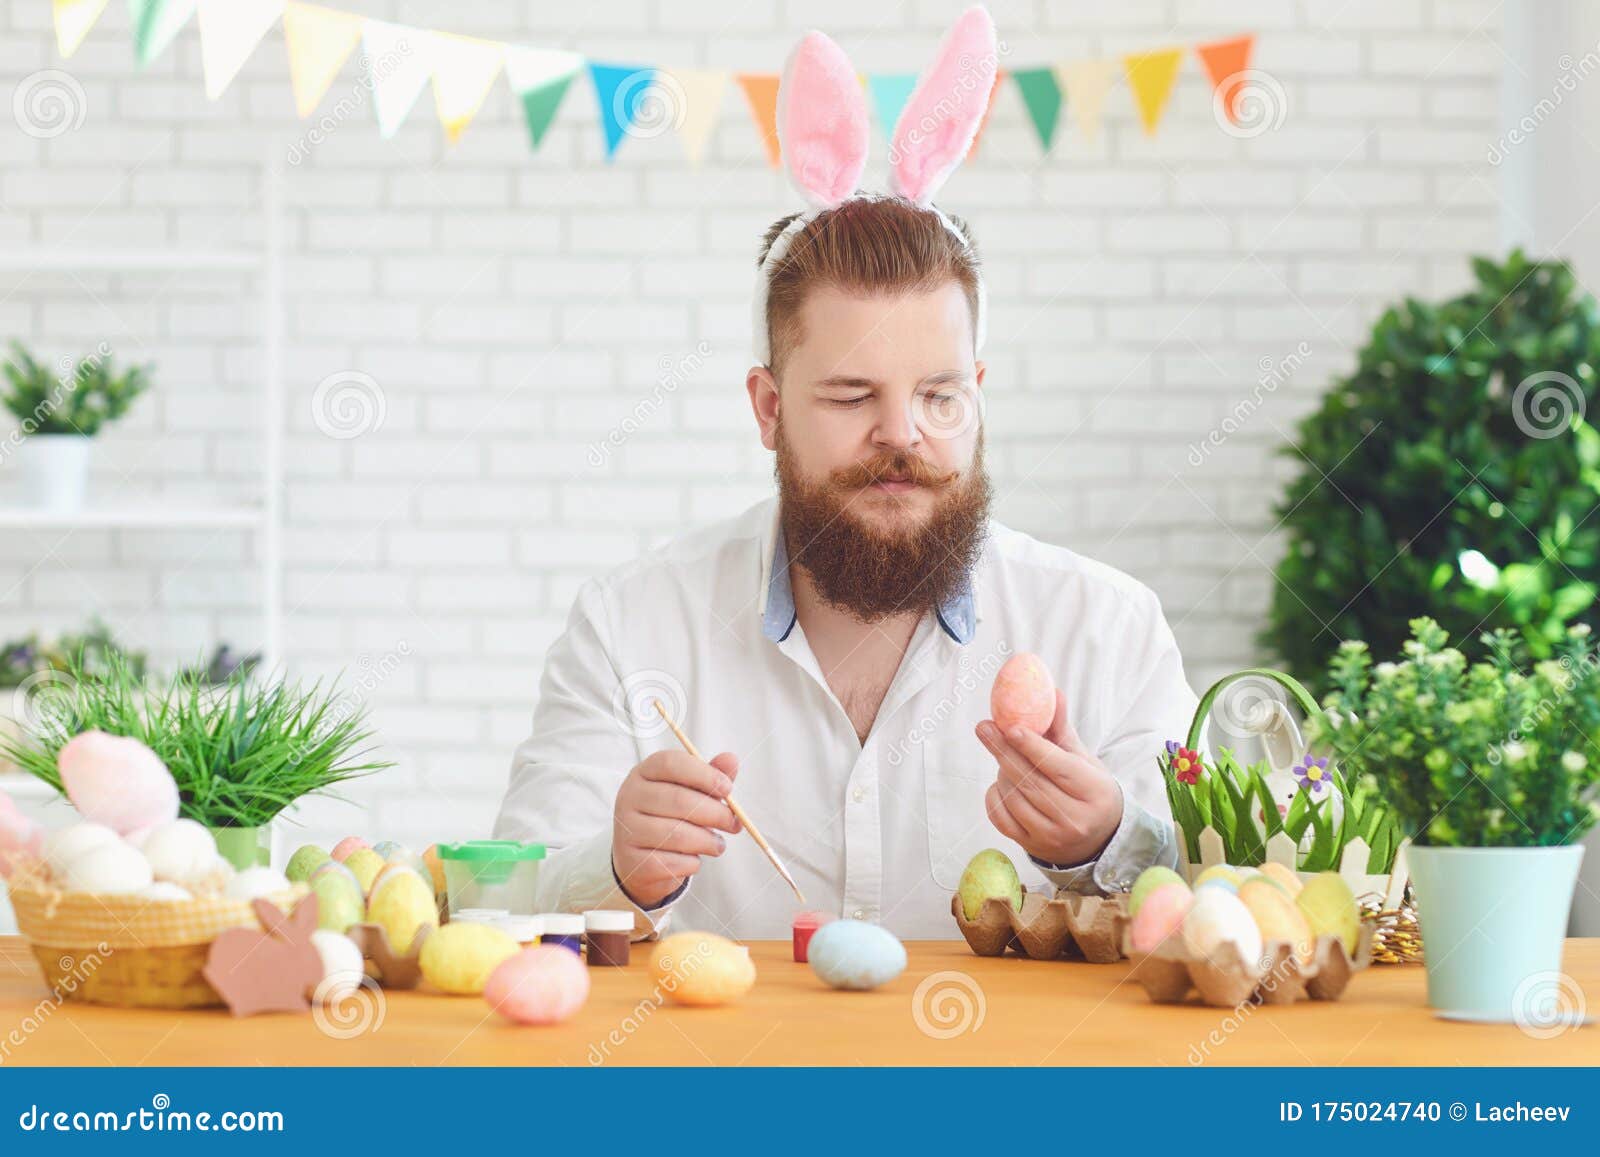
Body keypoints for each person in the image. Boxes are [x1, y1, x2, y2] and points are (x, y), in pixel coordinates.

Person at [493, 197, 1196, 940]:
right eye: (852, 395)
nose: (902, 432)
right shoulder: (628, 626)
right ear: (769, 409)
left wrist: (1108, 841)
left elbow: (1222, 904)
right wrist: (616, 871)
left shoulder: (1106, 627)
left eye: (940, 396)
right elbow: (504, 903)